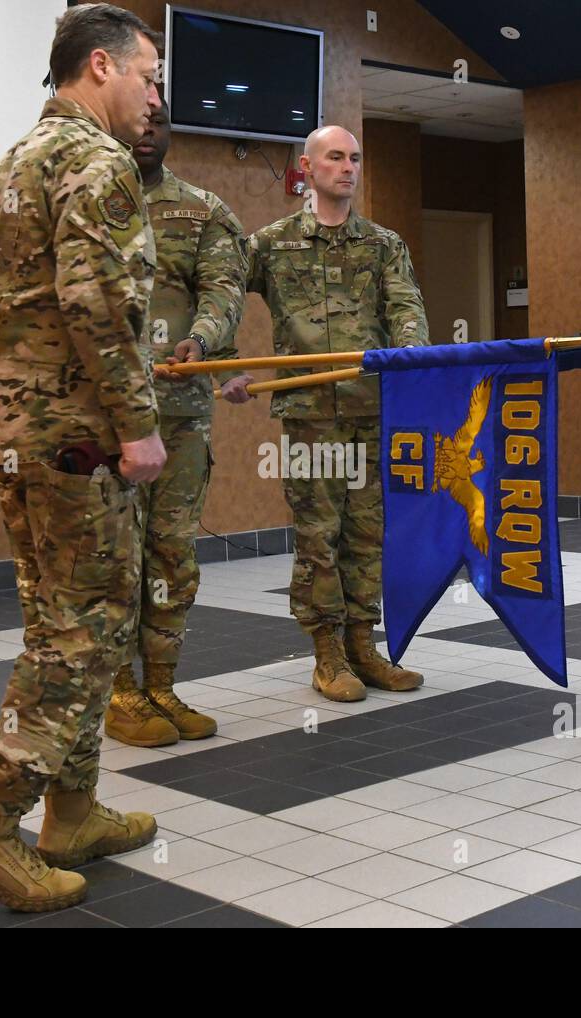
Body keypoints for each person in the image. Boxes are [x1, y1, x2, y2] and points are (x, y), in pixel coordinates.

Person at [0, 3, 166, 912]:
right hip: (78, 438)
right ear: (99, 66)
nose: (155, 97)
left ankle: (71, 811)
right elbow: (97, 301)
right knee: (90, 623)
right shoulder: (96, 162)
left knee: (57, 616)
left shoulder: (7, 169)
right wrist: (134, 421)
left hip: (18, 430)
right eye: (148, 77)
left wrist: (18, 389)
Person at [246, 125, 429, 703]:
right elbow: (219, 296)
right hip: (309, 415)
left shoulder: (382, 244)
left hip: (371, 409)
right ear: (306, 167)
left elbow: (406, 311)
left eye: (355, 158)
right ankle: (326, 651)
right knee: (319, 534)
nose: (348, 167)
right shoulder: (272, 243)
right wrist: (221, 363)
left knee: (367, 533)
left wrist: (410, 354)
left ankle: (362, 643)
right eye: (335, 157)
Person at [104, 99, 252, 747]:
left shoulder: (203, 211)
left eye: (159, 123)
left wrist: (204, 338)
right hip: (106, 417)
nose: (147, 130)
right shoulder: (90, 204)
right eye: (138, 120)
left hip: (182, 417)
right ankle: (120, 692)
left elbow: (224, 289)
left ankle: (162, 684)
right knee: (115, 556)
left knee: (171, 550)